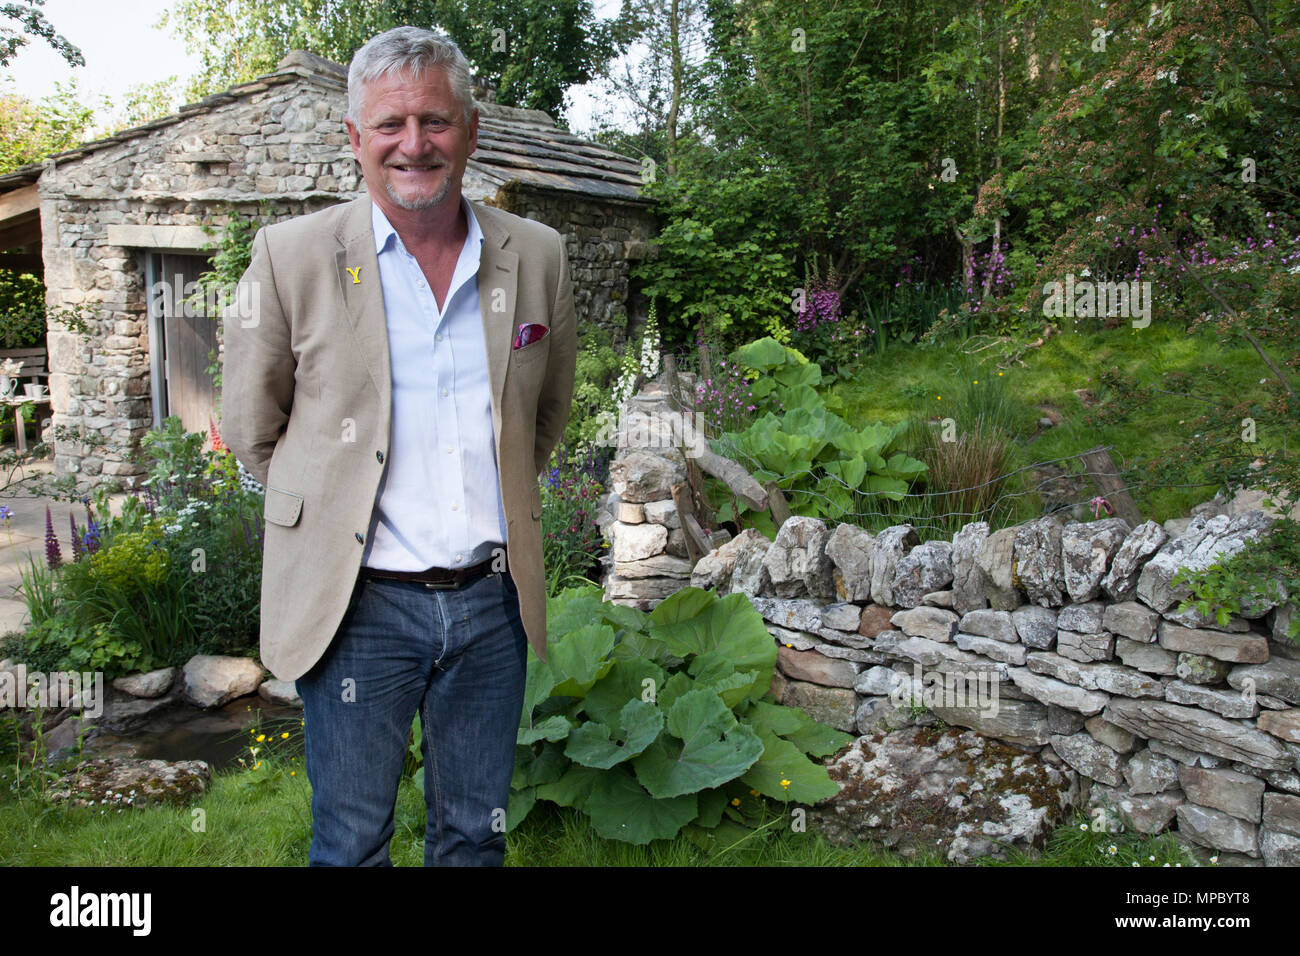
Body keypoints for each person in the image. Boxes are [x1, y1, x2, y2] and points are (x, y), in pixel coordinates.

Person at [221, 25, 577, 866]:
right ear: (355, 138)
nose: (413, 144)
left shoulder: (537, 255)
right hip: (358, 611)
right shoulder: (292, 257)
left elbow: (546, 413)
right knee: (350, 843)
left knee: (473, 838)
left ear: (471, 130)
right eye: (390, 125)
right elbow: (250, 425)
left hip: (492, 606)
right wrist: (332, 504)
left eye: (435, 121)